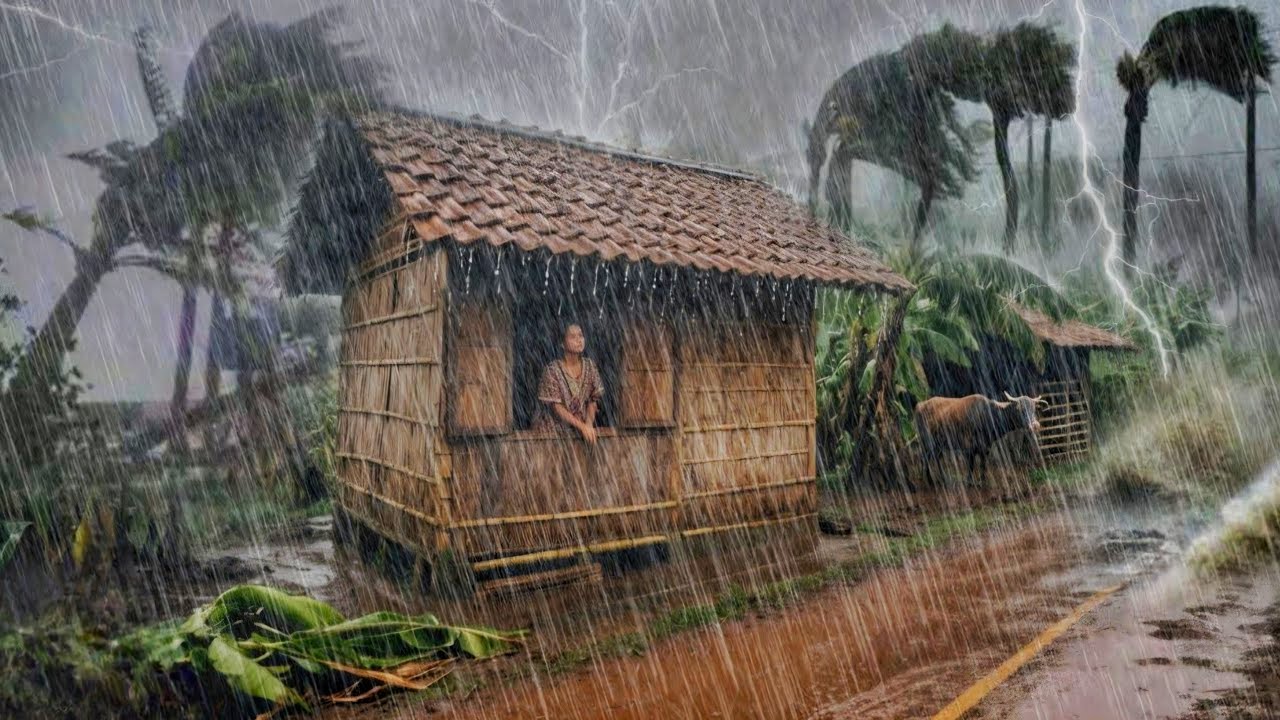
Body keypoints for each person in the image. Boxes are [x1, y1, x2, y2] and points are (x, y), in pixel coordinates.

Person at [534, 323, 604, 442]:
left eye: (580, 335)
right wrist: (582, 426)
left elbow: (594, 399)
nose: (578, 340)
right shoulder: (552, 371)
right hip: (553, 436)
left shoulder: (590, 366)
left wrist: (588, 424)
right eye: (572, 336)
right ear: (562, 343)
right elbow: (556, 407)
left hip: (579, 435)